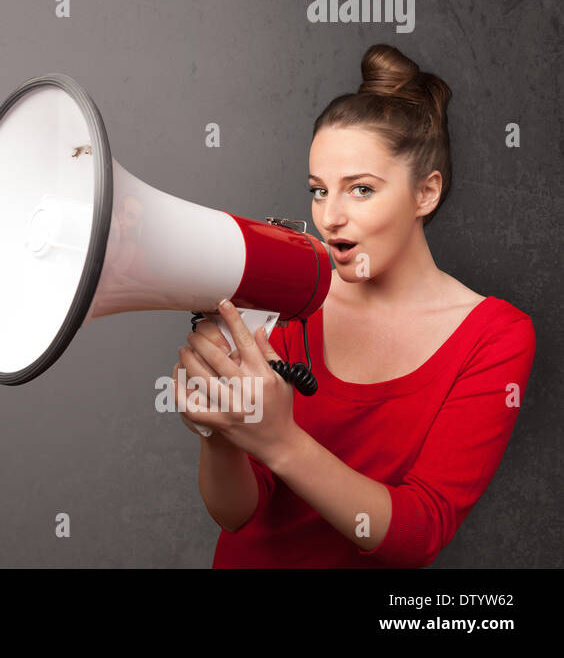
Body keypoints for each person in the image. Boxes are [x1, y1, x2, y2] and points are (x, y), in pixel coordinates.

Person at [171, 44, 536, 568]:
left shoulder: (495, 336)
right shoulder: (291, 294)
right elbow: (235, 515)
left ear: (425, 193)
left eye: (361, 190)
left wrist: (281, 443)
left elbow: (419, 533)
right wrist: (222, 433)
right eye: (319, 191)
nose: (331, 217)